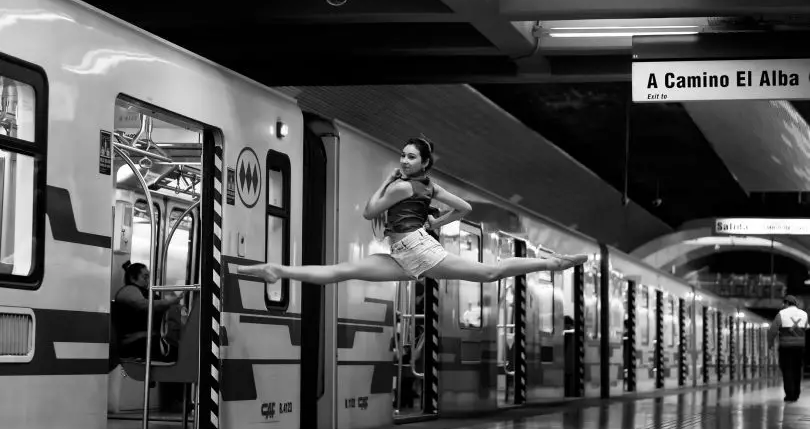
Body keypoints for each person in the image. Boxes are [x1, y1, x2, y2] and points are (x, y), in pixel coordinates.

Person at [238, 136, 589, 286]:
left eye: (410, 157)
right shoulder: (428, 186)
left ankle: (552, 263)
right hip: (404, 253)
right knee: (342, 272)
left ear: (424, 161)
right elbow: (464, 208)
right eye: (402, 156)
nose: (403, 161)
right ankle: (277, 271)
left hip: (417, 251)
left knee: (489, 274)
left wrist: (386, 181)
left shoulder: (403, 185)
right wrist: (439, 220)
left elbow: (370, 211)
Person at [111, 261, 182, 363]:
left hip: (149, 338)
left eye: (148, 277)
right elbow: (142, 304)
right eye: (145, 277)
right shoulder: (129, 289)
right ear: (132, 278)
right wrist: (166, 302)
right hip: (134, 343)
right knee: (179, 352)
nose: (148, 280)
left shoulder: (145, 292)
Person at [768, 295, 809, 402]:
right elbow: (807, 329)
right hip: (799, 348)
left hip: (785, 348)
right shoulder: (804, 314)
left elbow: (773, 330)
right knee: (797, 370)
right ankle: (796, 393)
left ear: (786, 303)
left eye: (784, 304)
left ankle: (789, 394)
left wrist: (770, 343)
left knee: (787, 370)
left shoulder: (781, 314)